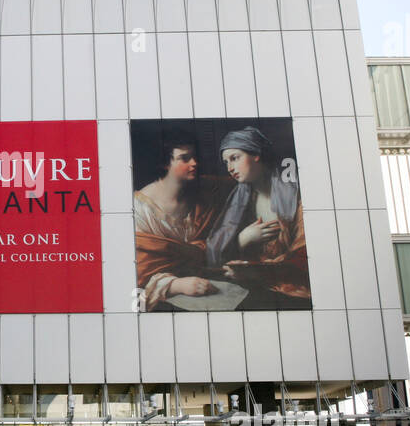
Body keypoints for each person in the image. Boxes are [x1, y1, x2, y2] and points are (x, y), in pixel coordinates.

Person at [208, 126, 310, 301]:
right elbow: (215, 253)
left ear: (256, 154)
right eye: (226, 162)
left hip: (289, 288)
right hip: (249, 284)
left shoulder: (296, 196)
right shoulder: (242, 199)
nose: (230, 168)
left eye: (235, 158)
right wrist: (242, 240)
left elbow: (302, 258)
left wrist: (255, 270)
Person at [133, 134, 234, 310]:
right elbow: (141, 268)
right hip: (165, 297)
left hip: (210, 279)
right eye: (184, 158)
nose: (194, 163)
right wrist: (176, 285)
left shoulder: (206, 190)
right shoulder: (141, 209)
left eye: (195, 157)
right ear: (165, 163)